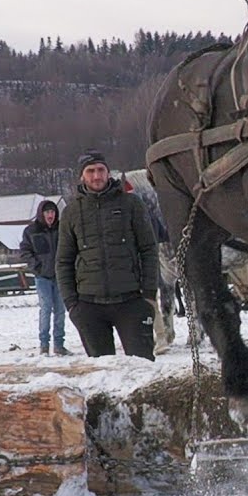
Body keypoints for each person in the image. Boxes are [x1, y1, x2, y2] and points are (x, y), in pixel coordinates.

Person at [56, 149, 158, 361]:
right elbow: (63, 260)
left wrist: (148, 295)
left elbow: (148, 249)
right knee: (102, 373)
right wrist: (72, 304)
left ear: (108, 172)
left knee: (143, 367)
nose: (96, 176)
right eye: (90, 171)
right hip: (89, 306)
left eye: (101, 170)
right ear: (82, 176)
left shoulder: (131, 204)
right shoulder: (71, 212)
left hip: (131, 301)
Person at [20, 199, 70, 355]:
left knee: (60, 311)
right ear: (41, 214)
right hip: (42, 277)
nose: (51, 215)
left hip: (60, 276)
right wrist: (37, 266)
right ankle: (43, 345)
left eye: (53, 212)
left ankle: (59, 345)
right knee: (46, 309)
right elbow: (25, 252)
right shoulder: (31, 231)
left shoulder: (61, 228)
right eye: (47, 212)